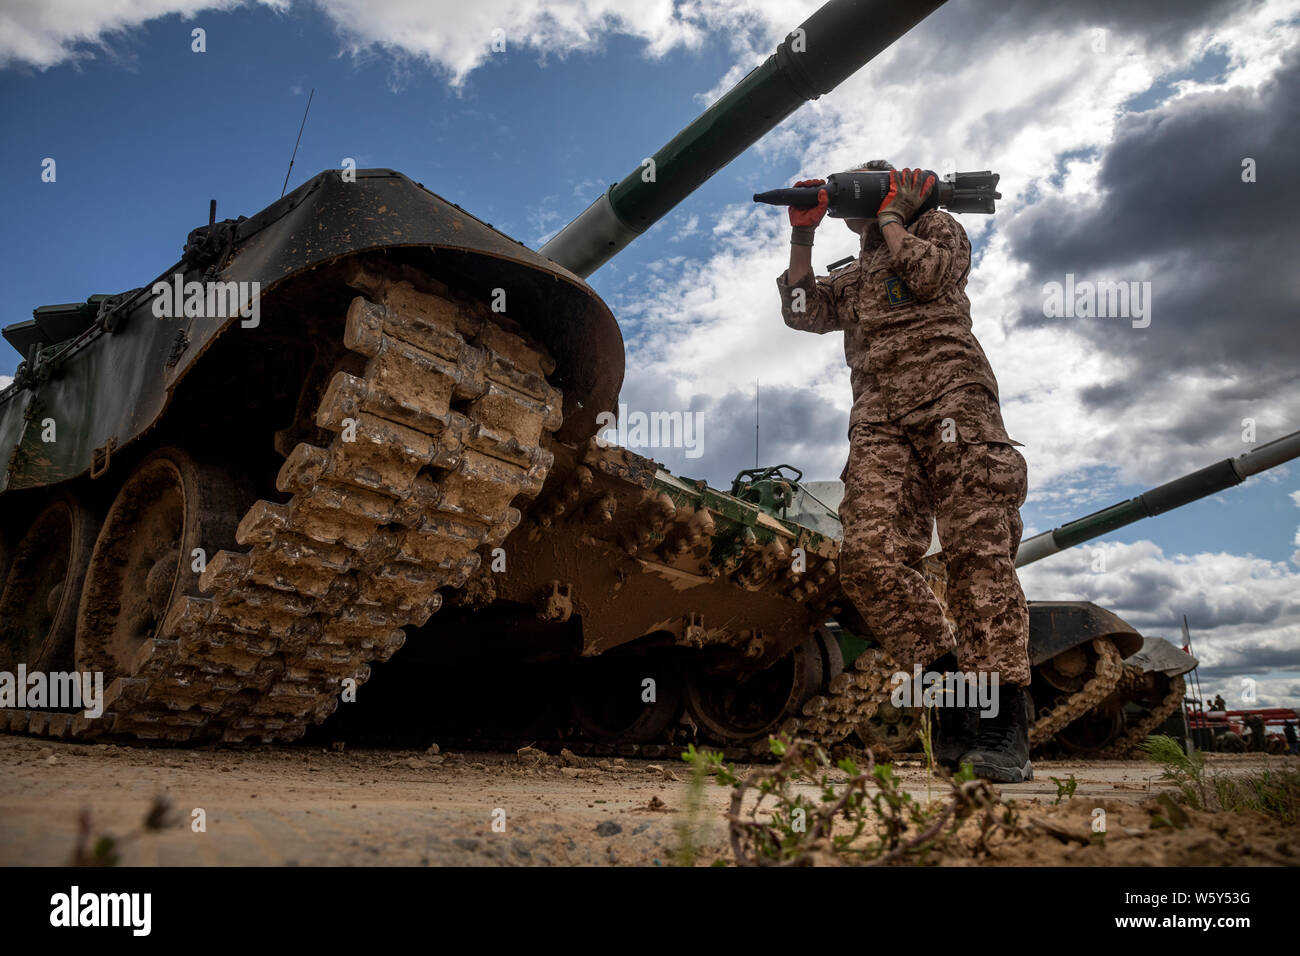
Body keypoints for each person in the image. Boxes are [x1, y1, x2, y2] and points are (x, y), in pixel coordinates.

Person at [777, 161, 1031, 782]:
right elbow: (803, 311)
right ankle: (949, 693)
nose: (847, 200)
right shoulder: (858, 271)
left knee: (978, 552)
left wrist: (895, 215)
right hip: (880, 421)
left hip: (953, 401)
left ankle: (1001, 727)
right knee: (869, 559)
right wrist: (803, 235)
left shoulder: (938, 229)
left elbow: (929, 275)